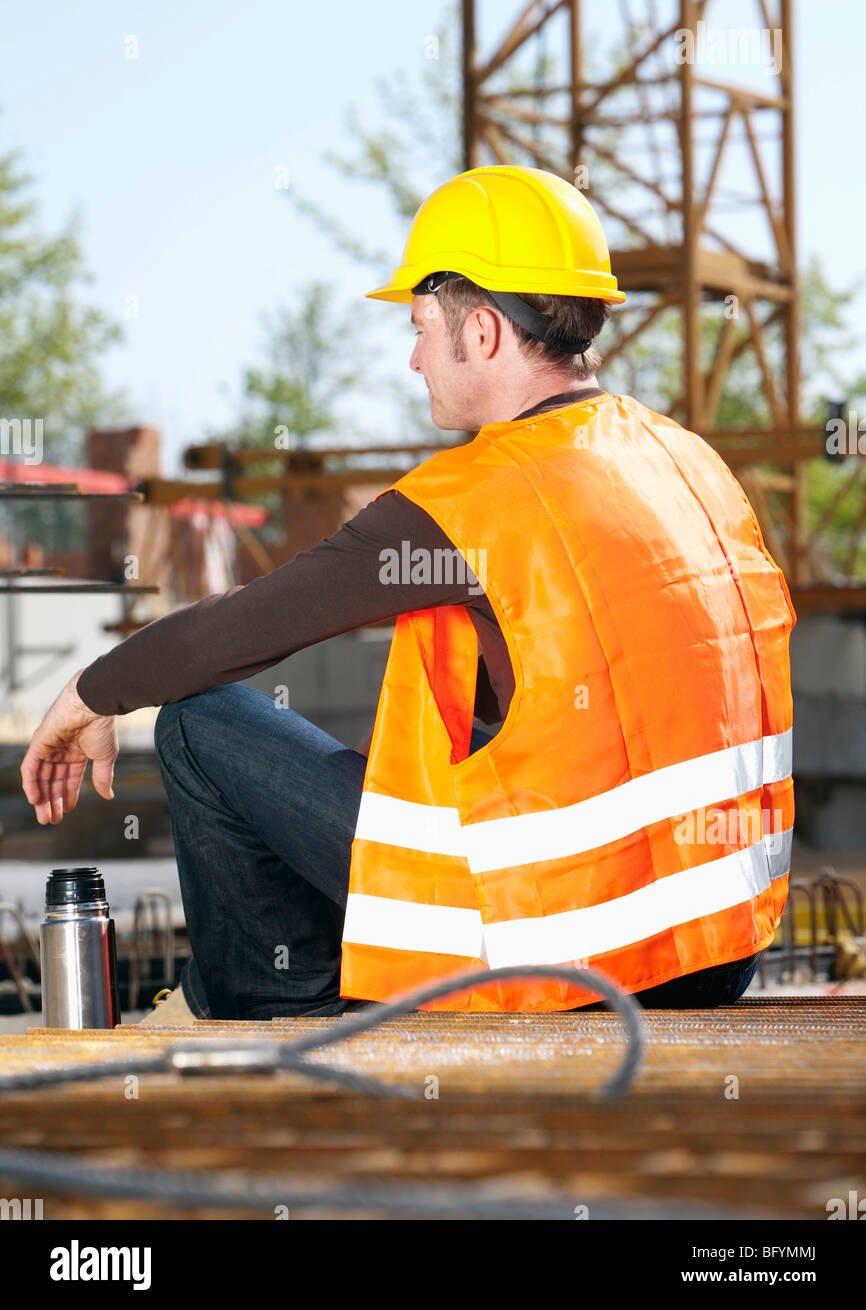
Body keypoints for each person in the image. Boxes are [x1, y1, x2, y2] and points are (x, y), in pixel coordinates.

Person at [20, 165, 793, 1022]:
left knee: (199, 726)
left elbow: (240, 628)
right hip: (715, 951)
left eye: (423, 326)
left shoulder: (476, 500)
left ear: (487, 331)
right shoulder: (689, 465)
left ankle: (275, 1011)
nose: (414, 356)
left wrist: (92, 692)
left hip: (563, 950)